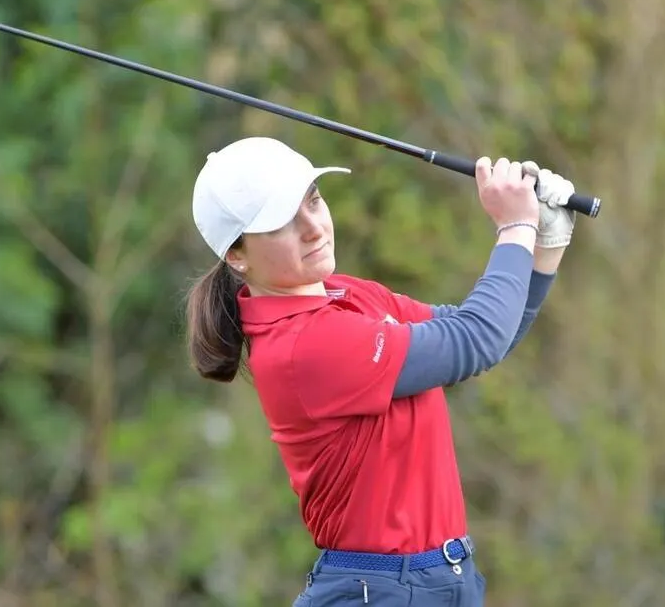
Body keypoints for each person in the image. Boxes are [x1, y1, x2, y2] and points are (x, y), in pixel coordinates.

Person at [184, 136, 577, 606]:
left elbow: (485, 335)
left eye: (313, 201)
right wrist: (515, 227)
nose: (314, 228)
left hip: (440, 579)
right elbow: (477, 339)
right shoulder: (302, 345)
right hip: (383, 590)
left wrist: (543, 247)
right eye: (284, 223)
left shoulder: (347, 293)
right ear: (237, 255)